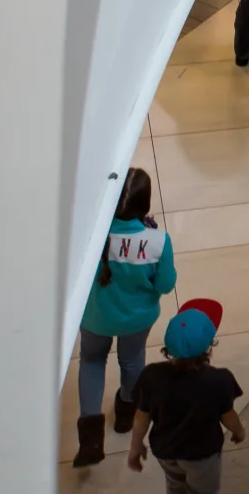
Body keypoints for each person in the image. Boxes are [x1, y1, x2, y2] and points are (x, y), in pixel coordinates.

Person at [72, 168, 175, 467]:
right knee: (131, 361)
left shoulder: (90, 234)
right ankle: (125, 418)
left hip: (95, 318)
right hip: (137, 319)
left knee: (91, 362)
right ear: (145, 204)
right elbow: (166, 285)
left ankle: (90, 438)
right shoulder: (157, 242)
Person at [128, 299, 244, 494]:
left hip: (165, 450)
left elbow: (142, 416)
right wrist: (238, 431)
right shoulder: (219, 380)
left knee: (175, 486)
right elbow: (228, 416)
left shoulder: (152, 375)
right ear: (208, 346)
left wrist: (135, 446)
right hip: (202, 456)